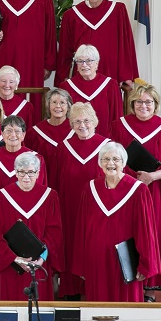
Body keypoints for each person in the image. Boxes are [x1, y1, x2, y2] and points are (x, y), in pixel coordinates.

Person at [109, 84, 161, 294]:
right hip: (125, 190)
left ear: (156, 105)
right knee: (127, 232)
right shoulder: (119, 126)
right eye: (139, 101)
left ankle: (150, 288)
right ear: (132, 103)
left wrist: (151, 176)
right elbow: (111, 158)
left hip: (156, 193)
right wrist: (132, 178)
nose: (144, 106)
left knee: (154, 234)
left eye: (148, 102)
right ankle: (128, 281)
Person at [72, 142, 160, 302]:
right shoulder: (90, 188)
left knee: (125, 306)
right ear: (99, 163)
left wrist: (144, 263)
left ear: (124, 163)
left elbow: (145, 230)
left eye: (115, 159)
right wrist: (82, 263)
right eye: (105, 159)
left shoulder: (138, 190)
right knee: (97, 305)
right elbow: (82, 228)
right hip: (96, 258)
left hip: (125, 258)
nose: (110, 163)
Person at [0, 152, 63, 301]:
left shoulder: (50, 196)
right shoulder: (1, 197)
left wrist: (41, 259)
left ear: (38, 173)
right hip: (10, 266)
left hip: (38, 266)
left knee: (38, 315)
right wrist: (16, 259)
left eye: (31, 172)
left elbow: (54, 233)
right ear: (15, 172)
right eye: (21, 172)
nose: (26, 176)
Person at [55, 102, 110, 299]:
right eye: (77, 121)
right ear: (71, 124)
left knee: (94, 245)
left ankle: (94, 288)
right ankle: (71, 288)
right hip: (70, 207)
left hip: (98, 208)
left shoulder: (107, 147)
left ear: (94, 121)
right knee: (71, 244)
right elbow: (56, 179)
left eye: (86, 120)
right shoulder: (64, 148)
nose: (82, 125)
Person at [56, 0, 138, 89]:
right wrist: (63, 76)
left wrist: (126, 74)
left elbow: (126, 44)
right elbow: (65, 48)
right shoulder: (72, 15)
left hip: (110, 71)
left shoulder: (117, 10)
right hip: (83, 71)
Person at [57, 44, 122, 137]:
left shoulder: (110, 85)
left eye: (89, 61)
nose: (84, 65)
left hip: (104, 141)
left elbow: (116, 117)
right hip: (74, 141)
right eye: (80, 61)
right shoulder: (66, 87)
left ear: (97, 63)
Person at [24, 88, 74, 181]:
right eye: (54, 102)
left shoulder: (75, 131)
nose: (58, 106)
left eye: (62, 103)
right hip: (43, 180)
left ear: (68, 107)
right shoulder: (35, 133)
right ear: (48, 105)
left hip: (69, 181)